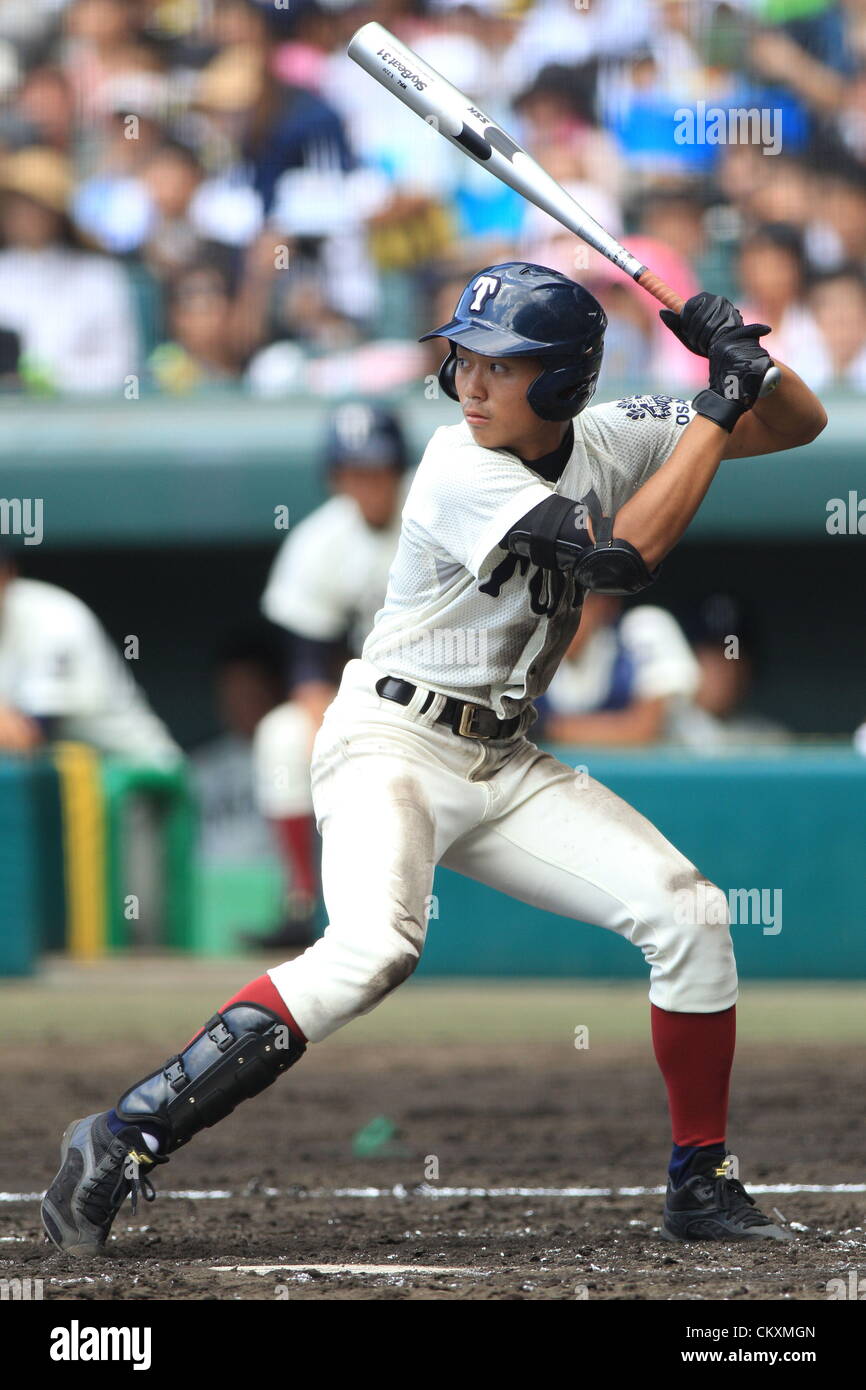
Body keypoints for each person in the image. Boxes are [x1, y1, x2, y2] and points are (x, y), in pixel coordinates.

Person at [41, 263, 827, 1257]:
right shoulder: (460, 469)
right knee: (373, 951)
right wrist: (717, 397)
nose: (469, 382)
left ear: (560, 380)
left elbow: (797, 423)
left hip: (501, 758)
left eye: (499, 365)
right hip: (391, 744)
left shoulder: (617, 431)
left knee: (692, 915)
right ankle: (121, 1135)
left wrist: (743, 359)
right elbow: (622, 558)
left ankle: (700, 1183)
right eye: (461, 358)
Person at [247, 402, 411, 950]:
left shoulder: (440, 509)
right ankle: (304, 900)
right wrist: (342, 738)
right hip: (369, 701)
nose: (364, 483)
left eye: (376, 468)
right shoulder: (320, 542)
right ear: (335, 477)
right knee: (282, 736)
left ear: (399, 468)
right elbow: (308, 670)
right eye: (351, 471)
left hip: (454, 691)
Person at [0, 552, 179, 765]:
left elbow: (24, 737)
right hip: (71, 779)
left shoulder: (53, 616)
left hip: (141, 774)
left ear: (8, 573)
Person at [535, 591, 699, 746]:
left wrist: (542, 728)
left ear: (601, 605)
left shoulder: (645, 627)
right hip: (578, 773)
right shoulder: (527, 653)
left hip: (682, 771)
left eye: (568, 604)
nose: (555, 618)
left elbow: (644, 730)